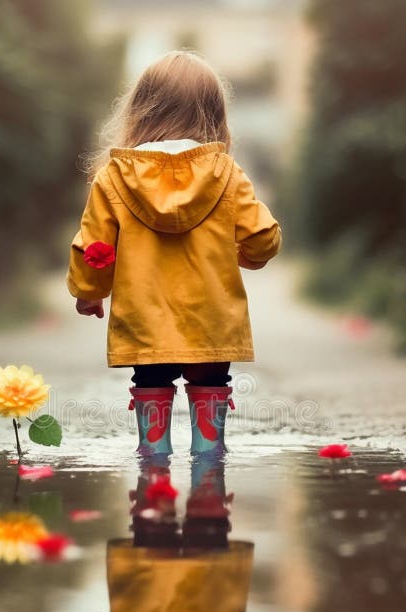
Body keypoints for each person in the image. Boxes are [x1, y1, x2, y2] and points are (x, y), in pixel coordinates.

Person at [66, 50, 281, 456]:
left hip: (144, 325)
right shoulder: (226, 173)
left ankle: (153, 497)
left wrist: (89, 290)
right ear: (214, 113)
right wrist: (244, 255)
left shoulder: (114, 176)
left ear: (142, 110)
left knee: (151, 404)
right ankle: (208, 496)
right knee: (210, 417)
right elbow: (264, 236)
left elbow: (94, 246)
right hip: (212, 323)